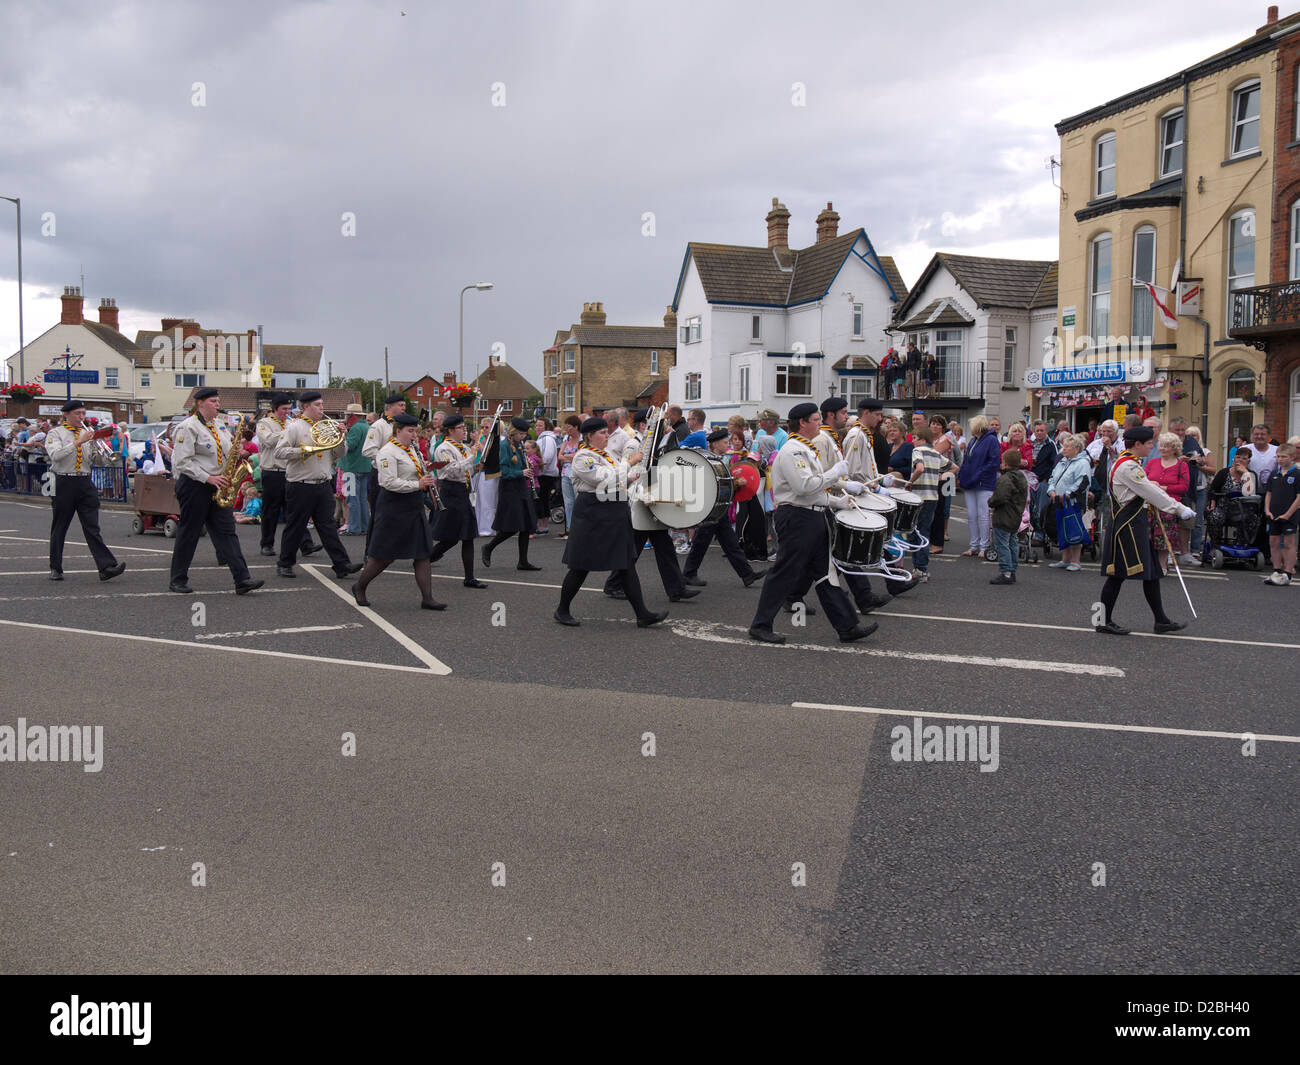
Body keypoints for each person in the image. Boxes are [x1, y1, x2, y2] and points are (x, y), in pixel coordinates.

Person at [747, 403, 876, 645]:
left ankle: (847, 626)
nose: (820, 423)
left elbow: (814, 491)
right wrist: (836, 473)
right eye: (816, 419)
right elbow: (804, 487)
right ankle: (760, 625)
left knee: (825, 573)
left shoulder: (806, 449)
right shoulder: (794, 451)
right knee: (784, 572)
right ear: (803, 422)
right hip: (798, 518)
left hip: (811, 515)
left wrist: (839, 501)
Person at [554, 417, 666, 628]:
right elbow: (603, 479)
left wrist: (634, 475)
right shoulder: (583, 457)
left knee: (625, 564)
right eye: (602, 433)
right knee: (580, 566)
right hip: (593, 513)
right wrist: (630, 462)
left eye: (607, 432)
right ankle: (562, 609)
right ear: (589, 436)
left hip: (613, 511)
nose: (607, 436)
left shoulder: (605, 456)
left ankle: (642, 614)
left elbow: (618, 479)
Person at [1095, 426, 1196, 635]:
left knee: (1152, 572)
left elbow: (1146, 487)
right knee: (1117, 575)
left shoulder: (1129, 463)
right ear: (1138, 445)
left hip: (1134, 524)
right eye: (1149, 443)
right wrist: (1179, 509)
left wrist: (1153, 487)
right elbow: (1150, 492)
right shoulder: (1128, 467)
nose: (1153, 447)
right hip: (1128, 526)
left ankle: (1161, 620)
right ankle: (1101, 620)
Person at [167, 388, 263, 595]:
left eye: (218, 401)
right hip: (195, 485)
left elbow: (226, 451)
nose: (218, 404)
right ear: (200, 403)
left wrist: (235, 451)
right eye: (213, 401)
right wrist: (208, 477)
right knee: (189, 532)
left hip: (219, 484)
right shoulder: (188, 427)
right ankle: (178, 579)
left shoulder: (218, 426)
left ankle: (242, 579)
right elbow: (182, 461)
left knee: (227, 532)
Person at [350, 413, 444, 610]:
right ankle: (359, 586)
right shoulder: (387, 452)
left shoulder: (412, 450)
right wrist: (417, 483)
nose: (414, 435)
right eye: (410, 431)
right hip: (394, 507)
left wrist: (423, 470)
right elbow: (388, 482)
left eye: (415, 431)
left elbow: (411, 473)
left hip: (413, 506)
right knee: (385, 555)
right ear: (397, 431)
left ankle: (427, 598)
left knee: (422, 553)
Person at [274, 392, 361, 581]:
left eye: (322, 404)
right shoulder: (294, 427)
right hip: (300, 484)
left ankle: (342, 564)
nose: (322, 408)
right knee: (296, 526)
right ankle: (285, 563)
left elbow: (341, 452)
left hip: (322, 484)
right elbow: (279, 452)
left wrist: (340, 436)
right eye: (318, 405)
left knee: (328, 526)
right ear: (306, 407)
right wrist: (303, 451)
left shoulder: (325, 427)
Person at [44, 400, 126, 583]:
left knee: (92, 526)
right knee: (60, 526)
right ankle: (55, 567)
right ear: (66, 414)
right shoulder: (55, 433)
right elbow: (55, 456)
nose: (82, 417)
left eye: (83, 413)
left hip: (84, 481)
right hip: (63, 480)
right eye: (77, 414)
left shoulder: (86, 433)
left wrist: (105, 451)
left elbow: (95, 461)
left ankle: (106, 567)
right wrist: (78, 442)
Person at [682, 430, 766, 588]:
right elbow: (712, 483)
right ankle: (688, 573)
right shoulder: (707, 460)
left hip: (719, 507)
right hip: (710, 507)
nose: (729, 445)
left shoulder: (720, 459)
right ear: (715, 444)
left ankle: (747, 574)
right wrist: (735, 483)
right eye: (725, 442)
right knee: (701, 542)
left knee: (731, 543)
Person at [256, 394, 321, 559]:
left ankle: (306, 544)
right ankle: (267, 544)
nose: (287, 412)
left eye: (289, 409)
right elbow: (270, 441)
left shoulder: (292, 423)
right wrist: (290, 431)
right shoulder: (265, 424)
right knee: (270, 510)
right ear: (275, 409)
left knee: (295, 510)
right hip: (272, 471)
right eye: (284, 409)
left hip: (290, 471)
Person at [428, 414, 487, 589]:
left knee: (468, 536)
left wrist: (476, 467)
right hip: (450, 492)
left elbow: (466, 472)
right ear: (451, 430)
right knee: (451, 537)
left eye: (464, 428)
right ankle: (426, 559)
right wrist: (471, 458)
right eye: (461, 428)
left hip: (463, 491)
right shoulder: (443, 449)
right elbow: (451, 470)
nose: (464, 431)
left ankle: (469, 577)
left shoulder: (463, 448)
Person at [482, 417, 539, 571]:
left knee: (526, 525)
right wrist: (521, 472)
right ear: (513, 432)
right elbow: (503, 471)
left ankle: (523, 561)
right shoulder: (504, 445)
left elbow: (519, 465)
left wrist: (528, 465)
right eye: (521, 434)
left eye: (524, 434)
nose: (523, 437)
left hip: (521, 487)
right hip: (510, 489)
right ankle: (488, 547)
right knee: (512, 526)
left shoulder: (518, 445)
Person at [904, 424, 953, 582]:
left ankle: (919, 569)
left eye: (915, 438)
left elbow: (919, 468)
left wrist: (909, 482)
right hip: (932, 496)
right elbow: (955, 467)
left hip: (919, 496)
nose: (913, 442)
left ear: (922, 439)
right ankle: (922, 569)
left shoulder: (917, 451)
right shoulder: (935, 453)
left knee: (915, 531)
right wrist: (940, 476)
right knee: (924, 531)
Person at [362, 394, 407, 550]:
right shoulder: (379, 426)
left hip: (398, 475)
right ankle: (370, 550)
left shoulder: (400, 426)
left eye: (404, 405)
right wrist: (388, 458)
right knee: (378, 515)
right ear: (389, 407)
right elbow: (368, 450)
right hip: (380, 475)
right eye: (400, 405)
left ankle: (393, 547)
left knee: (397, 514)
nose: (403, 408)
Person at [1145, 432, 1190, 576]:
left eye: (1167, 446)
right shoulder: (1152, 463)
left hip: (1169, 505)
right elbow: (1143, 480)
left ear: (1174, 448)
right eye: (1161, 445)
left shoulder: (1181, 465)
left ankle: (1162, 565)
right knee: (1148, 535)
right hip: (1151, 504)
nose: (1162, 449)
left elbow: (1184, 487)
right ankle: (1149, 563)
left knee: (1163, 537)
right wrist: (1152, 484)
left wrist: (1164, 488)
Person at [1044, 434, 1091, 572]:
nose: (1064, 449)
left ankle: (1075, 561)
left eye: (1067, 446)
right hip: (1058, 500)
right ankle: (1065, 559)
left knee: (1074, 529)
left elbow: (1083, 482)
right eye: (1063, 446)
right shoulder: (1062, 461)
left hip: (1073, 502)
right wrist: (1051, 491)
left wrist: (1067, 494)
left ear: (1077, 448)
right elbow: (1052, 478)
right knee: (1062, 529)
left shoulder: (1083, 463)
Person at [958, 414, 999, 558]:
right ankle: (974, 545)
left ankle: (984, 545)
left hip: (984, 483)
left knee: (983, 515)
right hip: (971, 482)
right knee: (971, 515)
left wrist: (978, 474)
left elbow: (993, 462)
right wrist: (962, 475)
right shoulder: (974, 440)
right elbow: (967, 460)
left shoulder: (991, 440)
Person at [988, 448, 1029, 585]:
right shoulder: (1022, 477)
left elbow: (1000, 497)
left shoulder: (1005, 479)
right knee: (1012, 543)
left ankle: (1005, 572)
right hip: (1016, 515)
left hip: (1003, 515)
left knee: (1002, 544)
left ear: (1004, 463)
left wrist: (991, 502)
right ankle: (1012, 571)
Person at [1170, 416, 1207, 564]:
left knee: (1186, 521)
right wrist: (1179, 459)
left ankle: (1185, 554)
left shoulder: (1192, 441)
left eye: (1182, 430)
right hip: (1171, 487)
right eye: (1177, 430)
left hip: (1188, 487)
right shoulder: (1168, 441)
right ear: (1171, 430)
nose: (1180, 432)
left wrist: (1199, 460)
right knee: (1170, 521)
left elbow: (1203, 459)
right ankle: (1169, 552)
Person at [1263, 443, 1299, 586]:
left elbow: (1299, 497)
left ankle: (1288, 572)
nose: (1280, 459)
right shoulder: (1274, 474)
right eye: (1278, 456)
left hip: (1290, 514)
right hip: (1274, 513)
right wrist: (1267, 510)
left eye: (1284, 457)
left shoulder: (1297, 474)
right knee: (1274, 542)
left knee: (1289, 543)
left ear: (1292, 457)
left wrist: (1288, 514)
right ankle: (1277, 570)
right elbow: (1269, 494)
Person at [339, 402, 371, 537]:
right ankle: (364, 526)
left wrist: (343, 435)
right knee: (362, 499)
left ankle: (354, 527)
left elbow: (349, 446)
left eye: (347, 415)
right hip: (365, 467)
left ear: (352, 416)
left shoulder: (356, 428)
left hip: (351, 468)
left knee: (352, 499)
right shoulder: (367, 427)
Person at [557, 414, 582, 536]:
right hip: (565, 474)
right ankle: (570, 528)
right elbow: (559, 456)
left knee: (578, 501)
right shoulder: (566, 440)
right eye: (566, 428)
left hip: (577, 475)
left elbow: (579, 456)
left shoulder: (582, 440)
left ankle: (579, 528)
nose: (567, 430)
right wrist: (571, 457)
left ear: (576, 427)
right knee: (568, 502)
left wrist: (568, 457)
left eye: (569, 427)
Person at [535, 418, 559, 535]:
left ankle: (542, 525)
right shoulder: (543, 439)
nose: (537, 428)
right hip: (545, 474)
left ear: (547, 428)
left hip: (544, 474)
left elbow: (546, 457)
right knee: (542, 499)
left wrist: (536, 469)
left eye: (540, 425)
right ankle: (543, 525)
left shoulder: (546, 439)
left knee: (540, 499)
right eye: (536, 425)